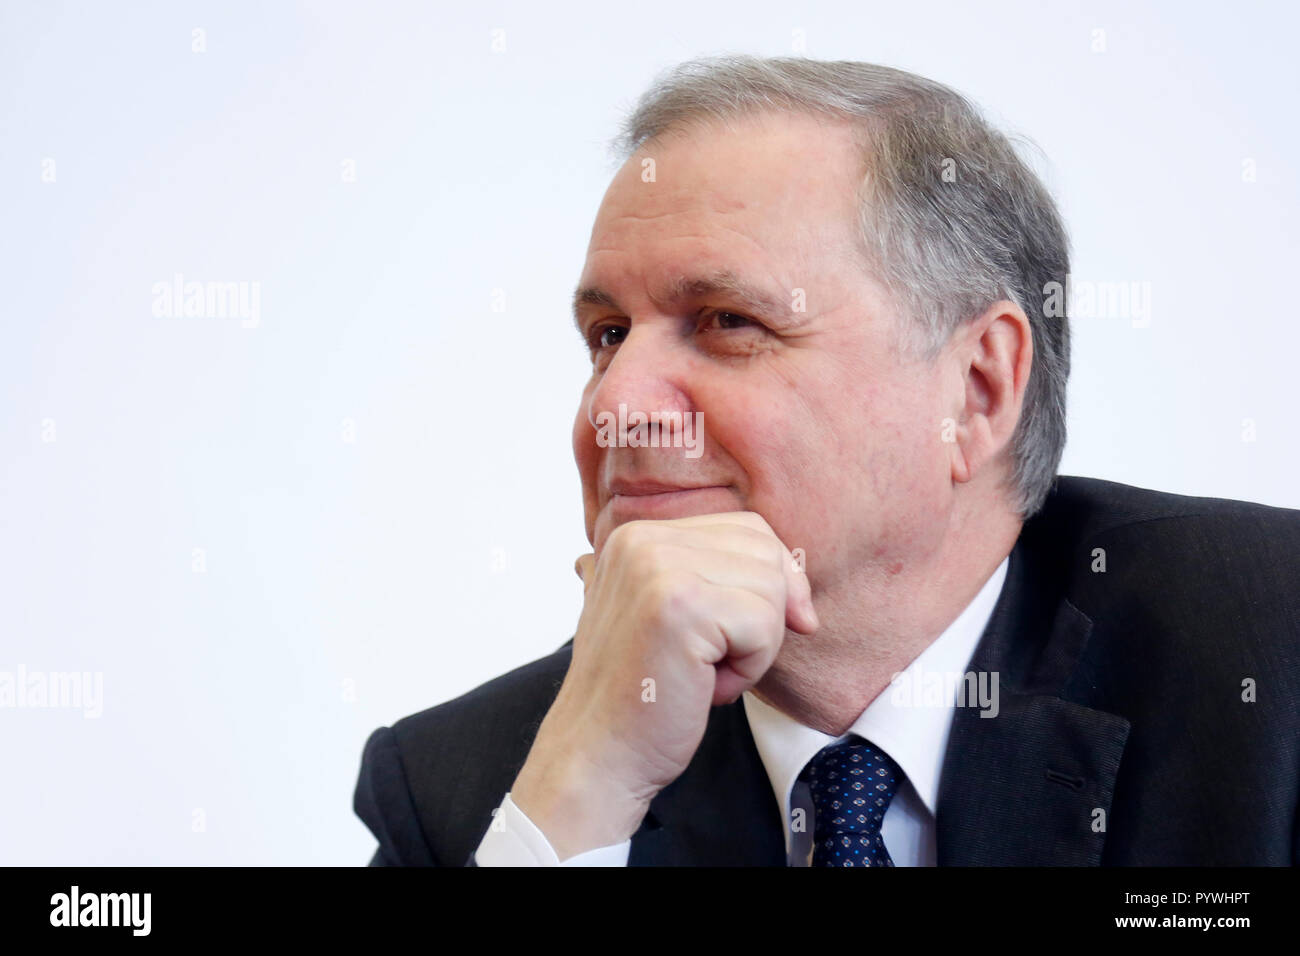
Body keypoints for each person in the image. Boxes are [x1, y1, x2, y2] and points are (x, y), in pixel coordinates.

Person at [353, 55, 1300, 866]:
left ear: (976, 388)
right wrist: (586, 795)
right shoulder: (472, 790)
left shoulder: (1271, 656)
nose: (615, 407)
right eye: (606, 335)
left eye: (729, 322)